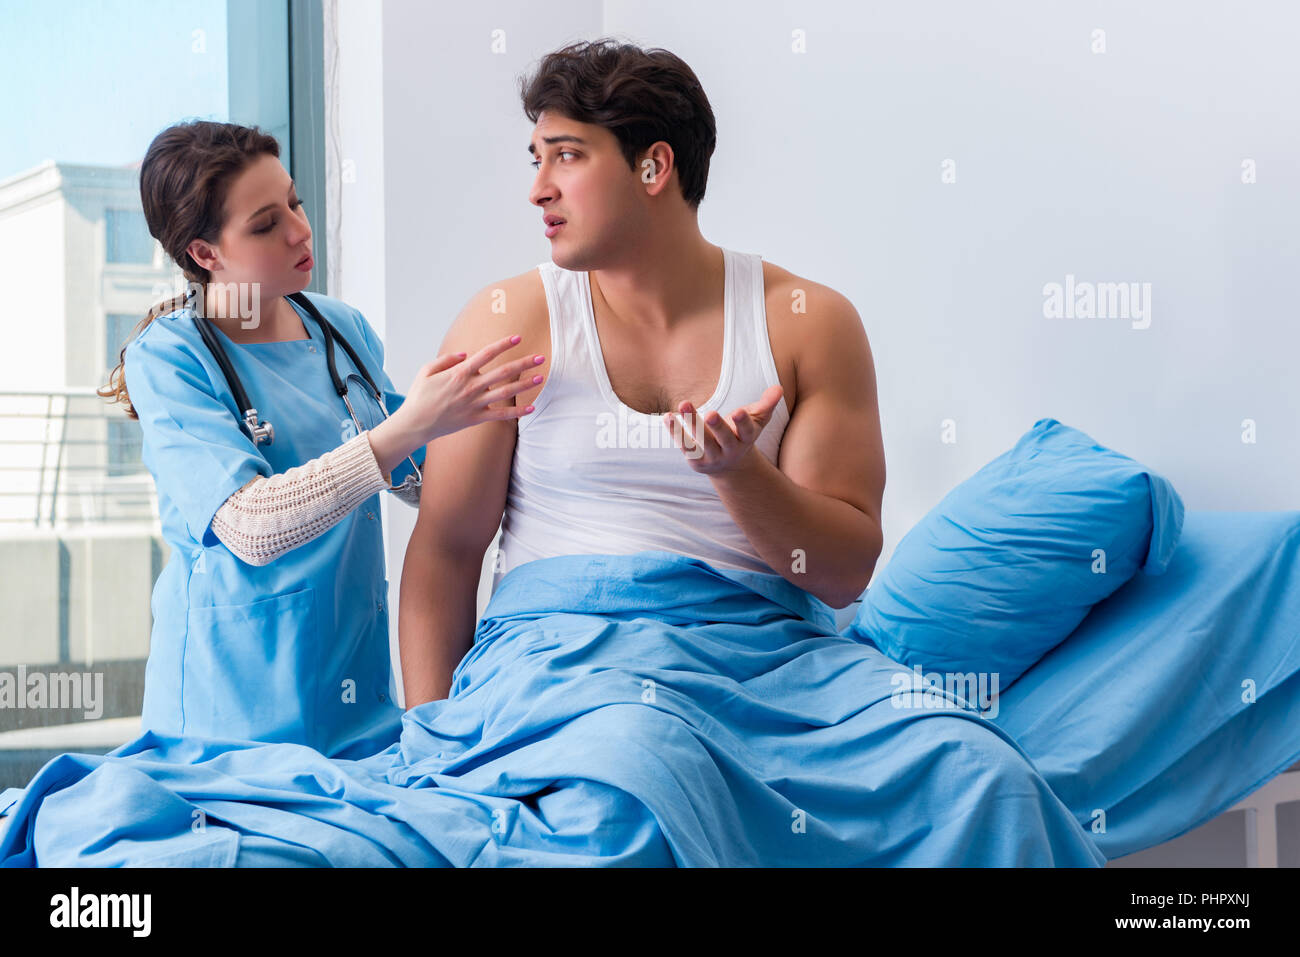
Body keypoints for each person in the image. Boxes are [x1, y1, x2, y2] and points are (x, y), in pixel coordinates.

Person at [398, 40, 887, 706]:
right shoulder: (509, 321)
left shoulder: (808, 322)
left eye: (567, 155)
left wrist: (741, 475)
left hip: (765, 669)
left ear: (654, 166)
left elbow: (843, 575)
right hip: (563, 667)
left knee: (971, 767)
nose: (539, 188)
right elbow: (446, 556)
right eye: (537, 159)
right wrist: (430, 743)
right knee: (634, 751)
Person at [98, 120, 546, 757]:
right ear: (205, 254)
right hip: (227, 720)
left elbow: (418, 482)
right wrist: (411, 425)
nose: (299, 231)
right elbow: (251, 527)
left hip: (357, 705)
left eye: (295, 202)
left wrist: (489, 418)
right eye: (264, 224)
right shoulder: (169, 358)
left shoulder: (340, 328)